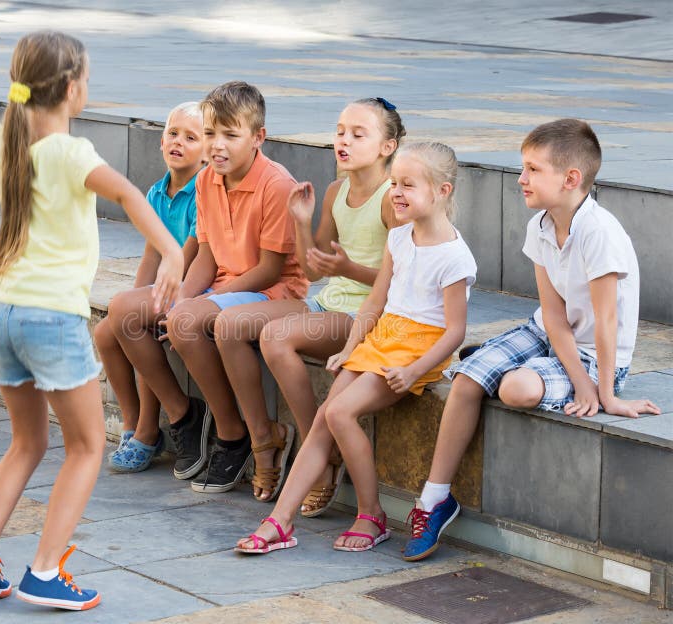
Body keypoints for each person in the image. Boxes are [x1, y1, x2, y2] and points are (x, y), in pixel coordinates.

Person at [0, 30, 183, 610]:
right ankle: (45, 571)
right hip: (51, 319)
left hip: (2, 313)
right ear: (72, 88)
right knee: (87, 446)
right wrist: (172, 253)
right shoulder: (71, 152)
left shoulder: (8, 140)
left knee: (27, 441)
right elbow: (128, 194)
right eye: (87, 79)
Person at [402, 119, 661, 563]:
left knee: (516, 389)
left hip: (598, 355)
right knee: (467, 379)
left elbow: (606, 321)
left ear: (570, 178)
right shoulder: (540, 225)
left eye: (533, 169)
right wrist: (574, 381)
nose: (521, 178)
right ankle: (434, 499)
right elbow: (554, 315)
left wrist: (600, 392)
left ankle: (507, 367)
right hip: (546, 332)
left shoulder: (599, 233)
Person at [235, 142, 476, 554]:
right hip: (382, 338)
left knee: (339, 412)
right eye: (394, 183)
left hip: (417, 349)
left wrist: (415, 370)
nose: (396, 192)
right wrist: (350, 347)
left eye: (408, 185)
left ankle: (371, 514)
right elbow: (375, 302)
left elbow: (455, 332)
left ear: (442, 191)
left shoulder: (455, 256)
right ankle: (279, 521)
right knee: (322, 421)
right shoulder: (399, 237)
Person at [107, 81, 307, 492]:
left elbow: (270, 271)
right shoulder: (207, 181)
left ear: (258, 137)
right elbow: (207, 257)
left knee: (184, 321)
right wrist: (181, 297)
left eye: (230, 135)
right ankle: (185, 416)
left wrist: (202, 303)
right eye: (212, 134)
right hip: (221, 286)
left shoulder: (276, 185)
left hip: (270, 292)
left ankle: (233, 435)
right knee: (124, 310)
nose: (218, 146)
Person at [214, 97, 404, 505]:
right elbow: (314, 271)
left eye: (358, 134)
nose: (344, 141)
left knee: (276, 337)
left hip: (366, 314)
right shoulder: (337, 191)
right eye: (340, 132)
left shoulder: (392, 199)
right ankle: (264, 438)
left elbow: (402, 282)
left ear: (387, 147)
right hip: (328, 302)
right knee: (228, 325)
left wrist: (349, 268)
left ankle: (318, 452)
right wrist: (301, 222)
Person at [96, 101, 203, 473]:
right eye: (173, 134)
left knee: (131, 320)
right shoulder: (157, 193)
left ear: (208, 150)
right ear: (161, 142)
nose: (178, 142)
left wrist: (138, 306)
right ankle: (132, 423)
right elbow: (151, 255)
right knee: (106, 331)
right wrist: (132, 298)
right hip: (167, 289)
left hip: (195, 288)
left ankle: (152, 428)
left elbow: (191, 257)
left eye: (191, 138)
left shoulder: (203, 192)